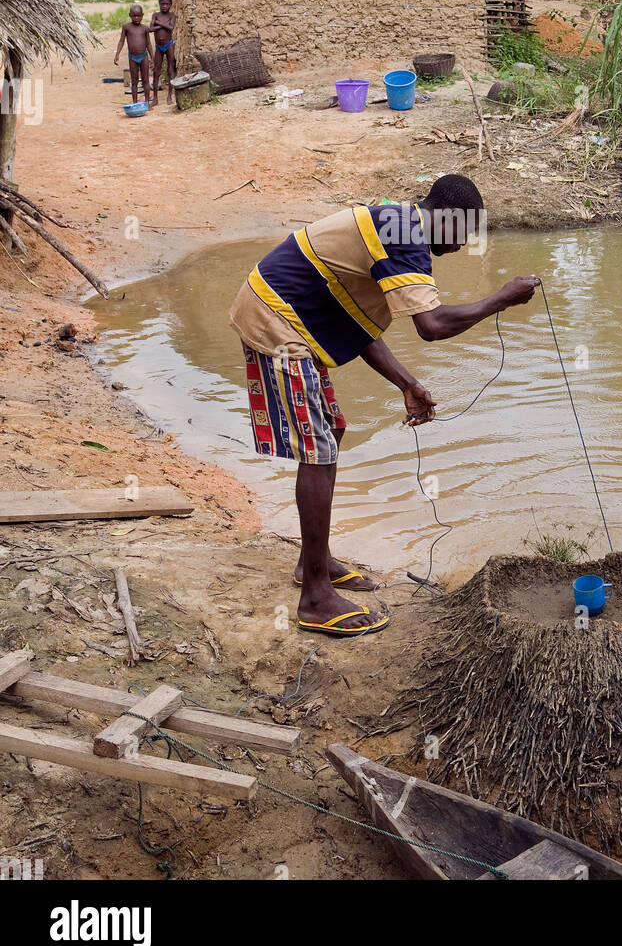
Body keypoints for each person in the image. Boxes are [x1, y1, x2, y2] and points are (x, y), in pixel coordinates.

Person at [229, 174, 539, 638]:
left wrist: (407, 384)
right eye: (466, 234)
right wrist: (502, 298)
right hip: (278, 323)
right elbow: (431, 326)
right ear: (449, 218)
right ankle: (314, 597)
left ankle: (311, 561)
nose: (462, 247)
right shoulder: (406, 235)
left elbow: (354, 319)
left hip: (293, 318)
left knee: (328, 434)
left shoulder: (395, 226)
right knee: (318, 451)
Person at [114, 4, 153, 107]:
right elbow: (121, 41)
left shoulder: (144, 28)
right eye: (134, 16)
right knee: (134, 81)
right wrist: (117, 54)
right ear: (130, 15)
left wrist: (152, 57)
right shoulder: (126, 27)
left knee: (145, 80)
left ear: (142, 15)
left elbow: (148, 43)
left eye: (139, 16)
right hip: (132, 58)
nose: (136, 18)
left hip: (144, 56)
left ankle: (147, 103)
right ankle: (135, 103)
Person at [149, 0, 176, 106]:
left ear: (170, 4)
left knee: (170, 69)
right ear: (159, 4)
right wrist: (163, 25)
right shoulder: (155, 15)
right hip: (159, 47)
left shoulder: (172, 16)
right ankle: (155, 98)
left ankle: (169, 95)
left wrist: (159, 23)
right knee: (156, 71)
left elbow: (171, 27)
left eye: (167, 4)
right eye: (162, 4)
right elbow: (150, 29)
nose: (164, 6)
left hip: (169, 45)